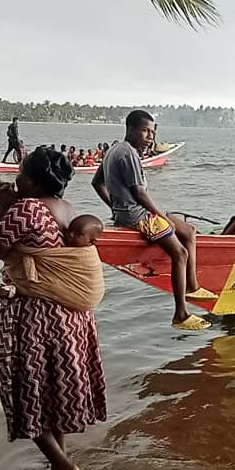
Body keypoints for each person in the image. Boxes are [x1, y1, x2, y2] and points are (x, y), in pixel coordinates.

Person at [0, 147, 106, 470]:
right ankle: (57, 469)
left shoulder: (26, 209)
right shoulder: (67, 209)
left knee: (27, 391)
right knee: (50, 390)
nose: (16, 178)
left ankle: (66, 468)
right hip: (71, 317)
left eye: (20, 173)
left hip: (37, 315)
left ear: (31, 182)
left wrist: (1, 207)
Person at [92, 109, 218, 329]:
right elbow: (139, 193)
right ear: (130, 129)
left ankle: (193, 286)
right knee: (180, 253)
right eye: (144, 131)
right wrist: (160, 216)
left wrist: (114, 206)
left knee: (189, 231)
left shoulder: (114, 150)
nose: (150, 136)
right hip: (138, 215)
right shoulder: (128, 154)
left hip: (131, 211)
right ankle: (180, 314)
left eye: (151, 132)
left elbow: (97, 183)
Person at [0, 214, 105, 300]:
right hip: (53, 281)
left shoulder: (86, 255)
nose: (70, 235)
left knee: (54, 286)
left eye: (79, 235)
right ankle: (16, 288)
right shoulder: (61, 247)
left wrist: (19, 247)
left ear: (92, 241)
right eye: (70, 230)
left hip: (76, 292)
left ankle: (18, 291)